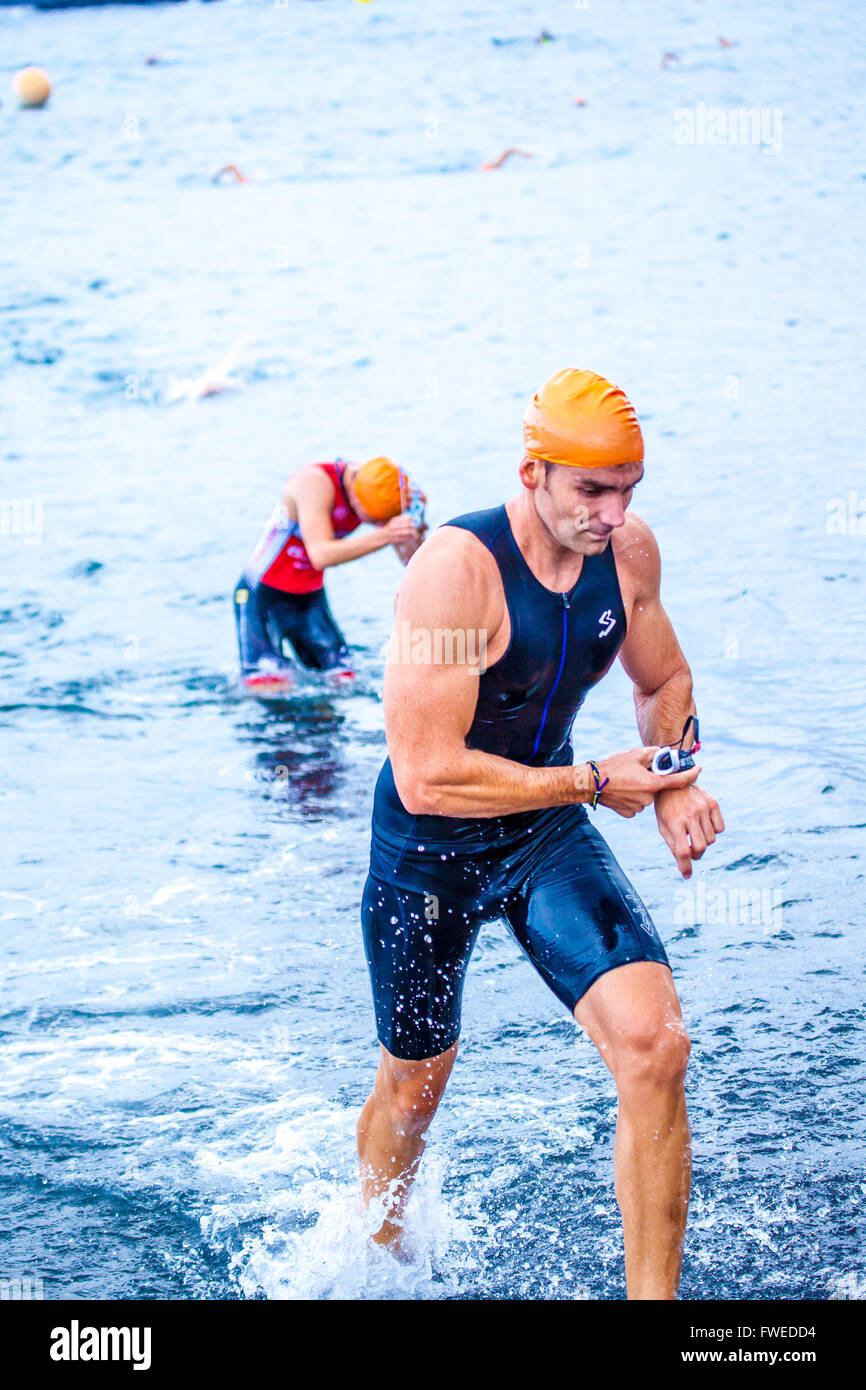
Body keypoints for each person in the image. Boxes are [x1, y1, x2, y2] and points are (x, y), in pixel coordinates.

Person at [356, 369, 725, 1298]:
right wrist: (596, 781)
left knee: (656, 1042)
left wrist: (678, 773)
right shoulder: (453, 571)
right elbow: (426, 773)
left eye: (628, 488)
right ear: (534, 474)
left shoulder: (627, 553)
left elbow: (662, 677)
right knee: (415, 1084)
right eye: (591, 491)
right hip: (428, 850)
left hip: (544, 831)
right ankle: (378, 1255)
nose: (612, 511)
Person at [234, 457, 424, 693]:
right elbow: (321, 554)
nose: (376, 524)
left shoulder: (386, 488)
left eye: (381, 521)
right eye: (373, 520)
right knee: (270, 686)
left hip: (308, 596)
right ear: (354, 495)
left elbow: (413, 562)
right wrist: (387, 535)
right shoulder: (315, 483)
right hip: (261, 594)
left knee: (343, 678)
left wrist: (415, 527)